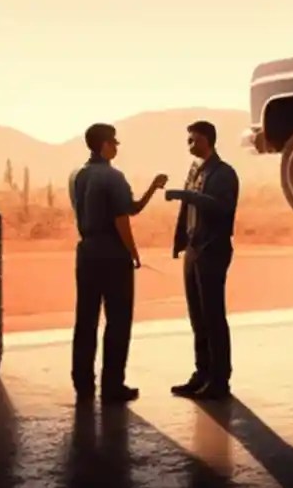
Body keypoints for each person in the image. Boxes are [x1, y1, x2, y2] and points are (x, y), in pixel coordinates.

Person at [69, 123, 167, 402]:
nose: (116, 147)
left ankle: (83, 382)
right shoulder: (113, 177)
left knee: (85, 320)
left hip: (86, 253)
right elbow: (124, 216)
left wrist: (152, 188)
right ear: (104, 145)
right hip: (112, 255)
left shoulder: (77, 175)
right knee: (118, 321)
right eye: (113, 142)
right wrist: (134, 252)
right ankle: (113, 385)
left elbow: (127, 208)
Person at [166, 120, 240, 400]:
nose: (190, 145)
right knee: (197, 316)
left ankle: (220, 380)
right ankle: (202, 373)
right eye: (188, 140)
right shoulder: (195, 171)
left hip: (213, 249)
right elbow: (187, 211)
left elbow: (222, 208)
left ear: (208, 140)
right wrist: (179, 243)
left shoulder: (224, 173)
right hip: (194, 250)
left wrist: (187, 194)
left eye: (194, 140)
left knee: (213, 316)